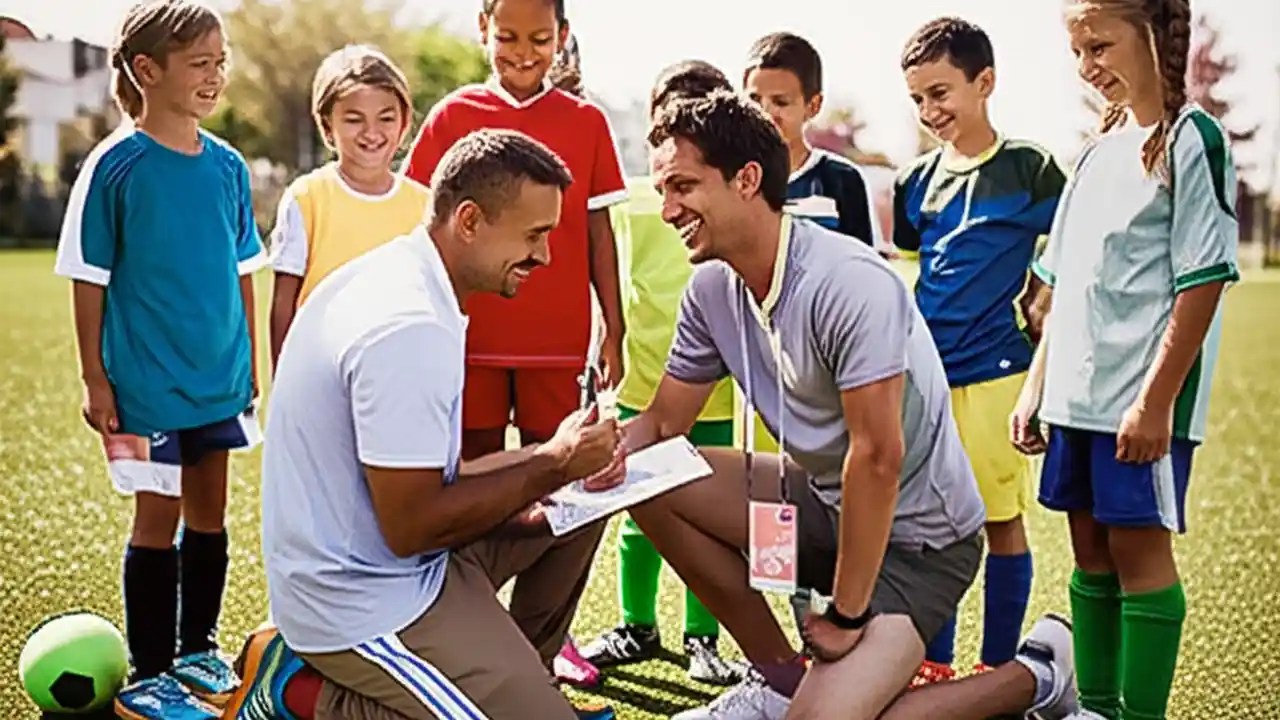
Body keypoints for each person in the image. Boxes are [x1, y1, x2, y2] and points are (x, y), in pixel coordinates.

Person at [624, 89, 1079, 720]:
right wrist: (574, 461)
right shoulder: (710, 289)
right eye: (662, 188)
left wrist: (844, 612)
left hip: (920, 540)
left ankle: (1037, 679)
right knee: (645, 478)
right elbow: (661, 424)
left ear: (747, 179)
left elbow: (878, 457)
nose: (667, 209)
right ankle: (782, 678)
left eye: (683, 186)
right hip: (819, 499)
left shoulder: (848, 282)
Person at [226, 129, 623, 720]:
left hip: (409, 565)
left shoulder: (410, 278)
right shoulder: (408, 324)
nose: (544, 255)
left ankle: (521, 677)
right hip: (363, 604)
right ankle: (294, 689)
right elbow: (411, 526)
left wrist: (561, 462)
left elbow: (438, 475)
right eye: (534, 235)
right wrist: (552, 462)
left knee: (581, 501)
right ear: (469, 221)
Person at [1011, 1, 1236, 718]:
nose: (1089, 66)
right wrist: (1036, 390)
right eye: (1079, 51)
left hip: (1138, 404)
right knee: (1090, 559)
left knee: (1140, 560)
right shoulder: (1096, 150)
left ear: (1152, 36)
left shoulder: (1191, 140)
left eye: (1101, 45)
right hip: (1074, 401)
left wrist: (1154, 402)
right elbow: (1065, 287)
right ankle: (1095, 708)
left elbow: (1201, 281)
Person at [53, 2, 264, 718]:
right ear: (148, 71)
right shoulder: (116, 167)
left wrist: (250, 366)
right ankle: (150, 673)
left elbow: (243, 271)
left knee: (212, 512)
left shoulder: (230, 167)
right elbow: (88, 276)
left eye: (220, 61)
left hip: (219, 381)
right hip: (145, 386)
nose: (215, 76)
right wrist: (94, 376)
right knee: (157, 517)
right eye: (199, 63)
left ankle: (197, 648)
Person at [894, 17, 1068, 684]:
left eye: (941, 93)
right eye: (917, 100)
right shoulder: (915, 182)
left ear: (985, 82)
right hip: (927, 377)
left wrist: (1042, 288)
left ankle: (996, 663)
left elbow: (1076, 239)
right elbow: (916, 261)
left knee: (999, 523)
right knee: (935, 527)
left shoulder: (1031, 168)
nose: (930, 112)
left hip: (998, 373)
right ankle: (934, 662)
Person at [402, 0, 628, 465]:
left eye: (540, 39)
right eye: (507, 37)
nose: (523, 53)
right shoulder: (451, 116)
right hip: (466, 336)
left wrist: (613, 324)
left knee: (554, 469)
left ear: (562, 36)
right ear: (484, 28)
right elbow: (419, 228)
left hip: (556, 340)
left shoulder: (588, 122)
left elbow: (598, 235)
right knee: (467, 469)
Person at [575, 60, 743, 687]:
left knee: (712, 517)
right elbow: (613, 283)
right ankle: (637, 626)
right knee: (638, 513)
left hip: (719, 397)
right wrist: (604, 336)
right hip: (643, 385)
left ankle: (704, 637)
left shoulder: (726, 199)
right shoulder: (634, 204)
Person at [739, 31, 885, 456]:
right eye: (754, 100)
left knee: (829, 486)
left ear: (813, 105)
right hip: (760, 371)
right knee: (764, 493)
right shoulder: (734, 183)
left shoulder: (841, 180)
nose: (765, 113)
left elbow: (866, 278)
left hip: (830, 366)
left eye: (781, 103)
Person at [268, 44, 430, 371]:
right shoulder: (307, 197)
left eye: (386, 118)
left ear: (404, 123)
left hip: (397, 372)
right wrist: (285, 380)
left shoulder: (425, 205)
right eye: (354, 120)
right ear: (327, 127)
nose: (371, 133)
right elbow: (284, 304)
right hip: (322, 372)